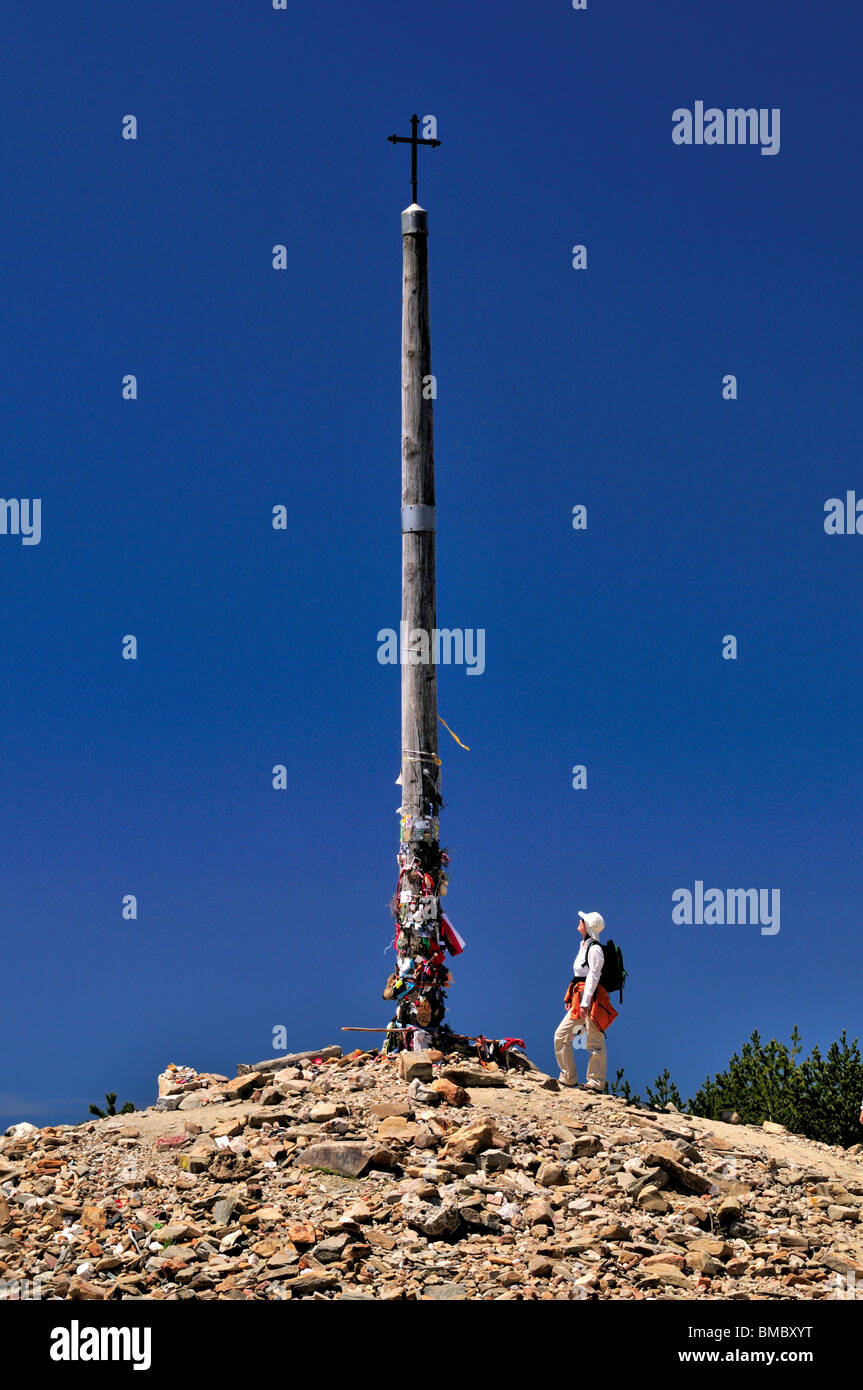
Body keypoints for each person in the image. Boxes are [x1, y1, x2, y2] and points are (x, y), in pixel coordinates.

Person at [554, 910, 608, 1092]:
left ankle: (596, 1082)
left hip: (590, 1002)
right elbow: (580, 977)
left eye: (582, 920)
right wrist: (572, 998)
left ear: (588, 926)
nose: (579, 921)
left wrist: (585, 1003)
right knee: (561, 1036)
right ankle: (568, 1077)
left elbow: (593, 976)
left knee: (594, 1041)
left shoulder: (595, 949)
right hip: (580, 1000)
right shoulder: (585, 946)